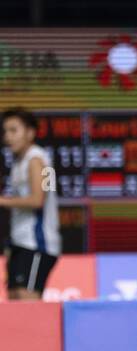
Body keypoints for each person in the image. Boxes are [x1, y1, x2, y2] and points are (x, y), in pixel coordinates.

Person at [1, 108, 61, 300]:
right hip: (20, 243)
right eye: (5, 131)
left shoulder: (36, 159)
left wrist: (2, 201)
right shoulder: (19, 162)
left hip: (37, 244)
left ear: (30, 132)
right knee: (15, 301)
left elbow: (38, 200)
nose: (8, 137)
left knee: (28, 304)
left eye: (13, 130)